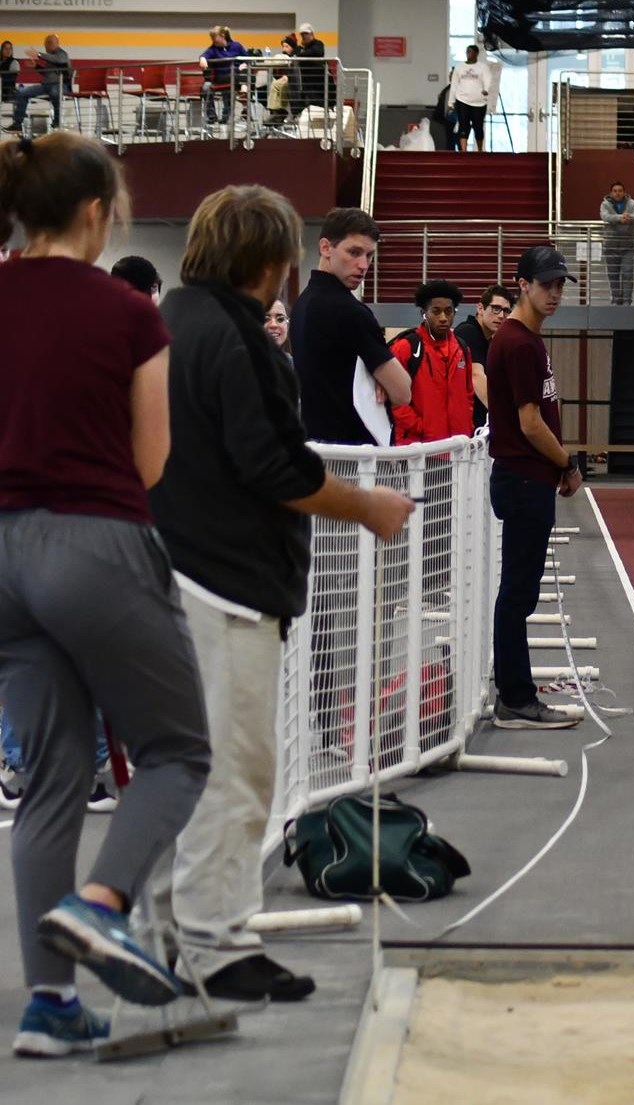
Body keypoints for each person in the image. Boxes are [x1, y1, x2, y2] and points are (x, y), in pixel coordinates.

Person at [150, 184, 414, 1004]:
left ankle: (180, 927)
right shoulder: (230, 338)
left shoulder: (173, 323)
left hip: (181, 568)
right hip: (219, 582)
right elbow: (271, 462)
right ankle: (214, 941)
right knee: (235, 769)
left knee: (203, 766)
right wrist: (366, 505)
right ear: (269, 259)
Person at [0, 131, 215, 1058]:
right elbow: (151, 457)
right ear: (97, 214)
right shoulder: (127, 311)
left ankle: (50, 1003)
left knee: (48, 782)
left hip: (0, 554)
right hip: (94, 541)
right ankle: (103, 903)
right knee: (175, 752)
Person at [488, 246, 583, 729]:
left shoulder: (524, 339)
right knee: (518, 594)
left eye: (560, 284)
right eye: (547, 284)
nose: (555, 292)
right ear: (522, 283)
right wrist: (567, 463)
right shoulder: (521, 343)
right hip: (525, 477)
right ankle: (515, 699)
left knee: (518, 593)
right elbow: (529, 423)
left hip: (525, 477)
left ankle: (513, 691)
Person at [291, 207, 411, 445]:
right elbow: (403, 391)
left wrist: (373, 377)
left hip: (314, 448)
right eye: (354, 252)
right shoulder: (350, 311)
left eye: (369, 255)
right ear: (326, 248)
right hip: (355, 455)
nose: (363, 264)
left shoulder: (301, 305)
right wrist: (378, 379)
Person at [388, 279, 475, 445]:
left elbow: (468, 395)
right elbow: (393, 400)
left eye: (448, 311)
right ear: (424, 313)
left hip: (457, 449)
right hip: (417, 448)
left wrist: (466, 427)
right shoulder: (406, 347)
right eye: (436, 311)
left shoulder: (462, 349)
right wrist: (422, 426)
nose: (443, 318)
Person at [455, 283, 509, 427]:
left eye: (506, 311)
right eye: (496, 308)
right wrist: (504, 417)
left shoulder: (488, 341)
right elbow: (476, 376)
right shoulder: (469, 332)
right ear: (480, 308)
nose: (501, 315)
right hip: (461, 426)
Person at [7, 35, 69, 135]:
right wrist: (36, 66)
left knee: (54, 92)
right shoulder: (50, 57)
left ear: (57, 43)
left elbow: (59, 60)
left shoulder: (62, 54)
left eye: (49, 43)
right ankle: (17, 124)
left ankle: (57, 121)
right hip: (46, 85)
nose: (47, 46)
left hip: (60, 85)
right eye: (45, 44)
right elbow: (48, 73)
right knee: (22, 93)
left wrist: (39, 54)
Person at [600, 182, 634, 306]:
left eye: (620, 190)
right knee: (613, 275)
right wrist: (619, 218)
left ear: (624, 192)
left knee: (627, 273)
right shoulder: (605, 204)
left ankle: (627, 300)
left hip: (627, 246)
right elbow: (605, 216)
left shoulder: (632, 204)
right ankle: (616, 300)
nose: (617, 193)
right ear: (611, 193)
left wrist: (629, 218)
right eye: (615, 191)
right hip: (610, 246)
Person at [198, 26, 248, 127]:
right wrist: (202, 59)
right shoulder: (213, 49)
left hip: (235, 77)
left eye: (214, 37)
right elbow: (204, 55)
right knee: (206, 87)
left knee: (235, 79)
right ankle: (212, 117)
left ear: (223, 36)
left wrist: (245, 64)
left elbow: (247, 58)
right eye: (211, 37)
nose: (212, 40)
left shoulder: (236, 46)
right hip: (220, 78)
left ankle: (226, 117)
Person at [448, 45, 493, 152]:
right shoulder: (459, 67)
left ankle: (480, 149)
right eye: (467, 52)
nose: (469, 54)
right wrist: (451, 102)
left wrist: (486, 89)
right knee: (463, 125)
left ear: (476, 53)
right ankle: (464, 150)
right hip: (462, 100)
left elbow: (488, 79)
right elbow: (454, 85)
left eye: (471, 52)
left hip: (479, 102)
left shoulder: (482, 67)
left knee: (478, 127)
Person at [1, 42, 19, 107]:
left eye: (10, 49)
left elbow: (11, 78)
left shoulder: (14, 62)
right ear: (2, 50)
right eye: (5, 48)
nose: (8, 51)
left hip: (8, 93)